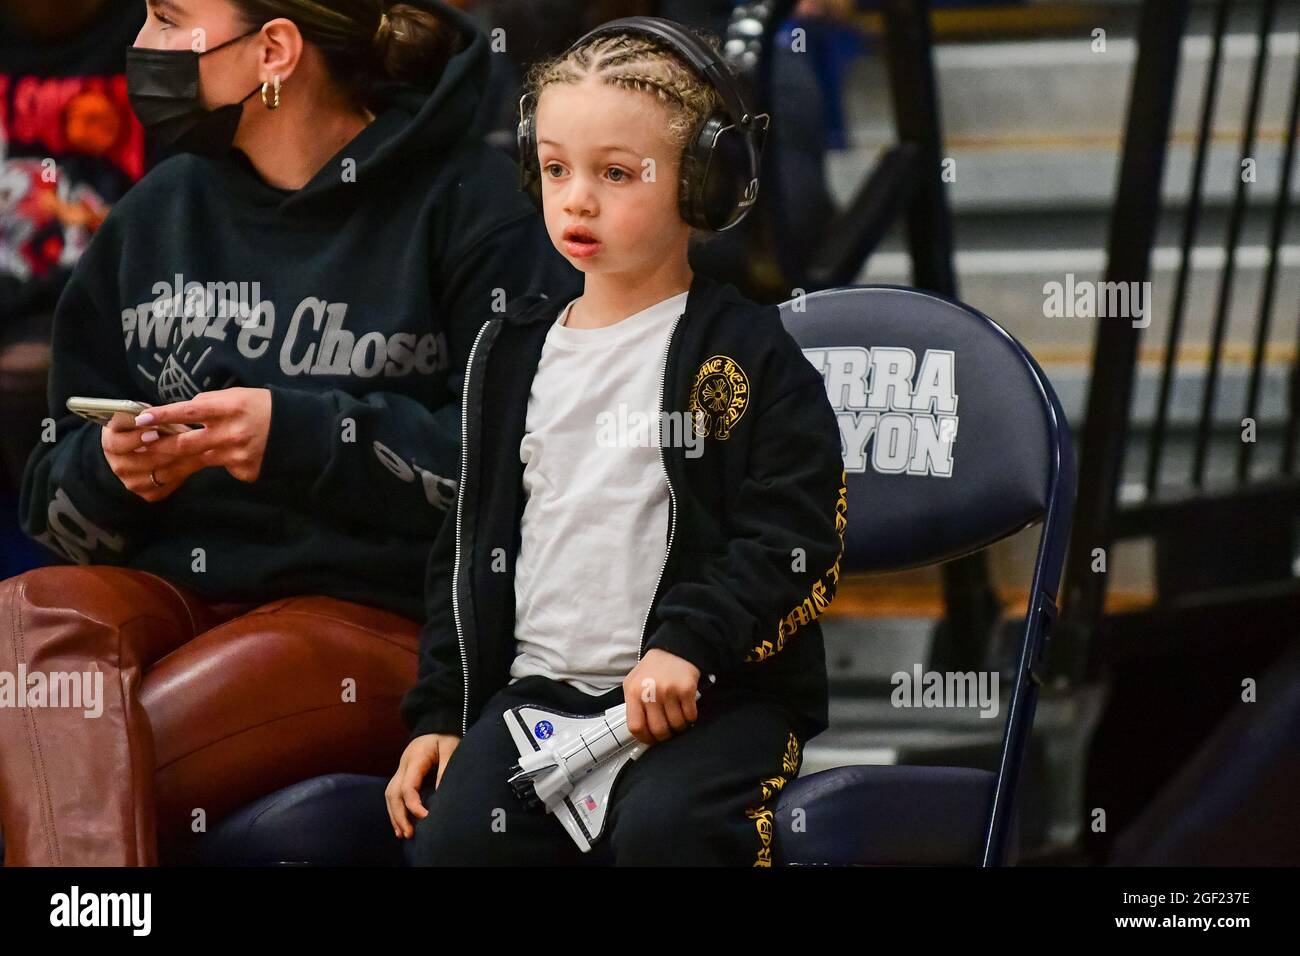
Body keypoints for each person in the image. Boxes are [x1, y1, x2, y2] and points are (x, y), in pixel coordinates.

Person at [0, 0, 577, 866]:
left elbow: (520, 478)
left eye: (168, 18)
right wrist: (116, 469)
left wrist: (304, 436)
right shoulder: (156, 214)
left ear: (273, 50)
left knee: (57, 765)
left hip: (376, 620)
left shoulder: (471, 209)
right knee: (33, 611)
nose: (139, 46)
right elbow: (53, 511)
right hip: (176, 601)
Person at [389, 18, 847, 866]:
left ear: (703, 184)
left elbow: (794, 539)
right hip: (535, 700)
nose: (578, 199)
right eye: (557, 168)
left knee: (663, 836)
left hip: (715, 702)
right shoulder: (507, 353)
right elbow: (463, 551)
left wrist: (690, 643)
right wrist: (444, 714)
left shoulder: (748, 355)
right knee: (452, 845)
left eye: (616, 174)